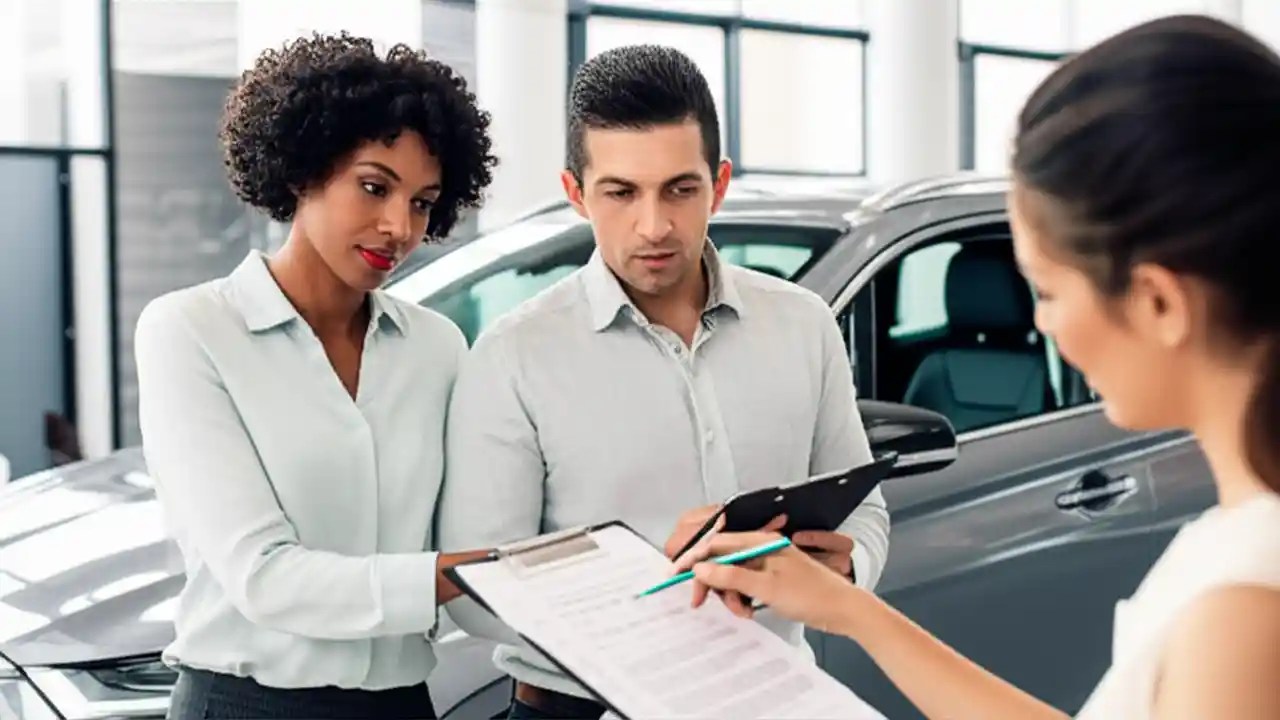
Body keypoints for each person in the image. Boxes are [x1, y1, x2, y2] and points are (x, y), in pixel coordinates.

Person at [676, 14, 1280, 720]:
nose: (1043, 324)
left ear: (1157, 302)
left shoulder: (1242, 612)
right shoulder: (1241, 557)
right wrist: (849, 611)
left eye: (1048, 291)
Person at [437, 44, 890, 720]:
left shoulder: (804, 325)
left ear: (721, 183)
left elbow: (865, 512)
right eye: (621, 192)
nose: (655, 226)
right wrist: (663, 617)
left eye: (681, 189)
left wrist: (844, 571)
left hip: (774, 700)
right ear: (575, 194)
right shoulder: (512, 357)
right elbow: (482, 594)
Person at [133, 33, 497, 720]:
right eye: (373, 186)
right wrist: (462, 574)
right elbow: (263, 576)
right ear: (302, 172)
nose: (398, 226)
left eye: (423, 202)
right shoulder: (189, 331)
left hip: (402, 705)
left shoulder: (437, 348)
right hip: (247, 706)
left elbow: (478, 513)